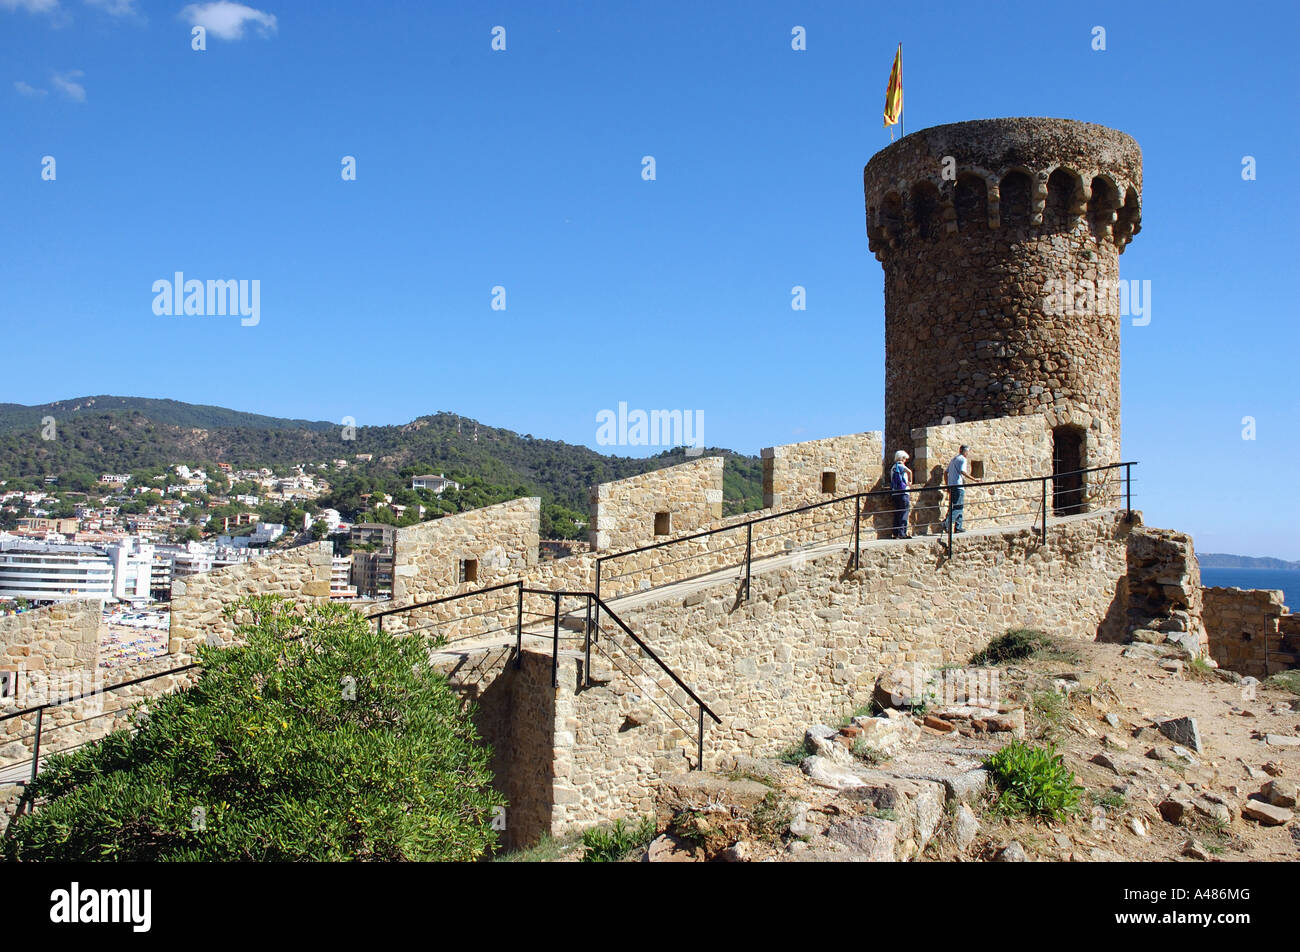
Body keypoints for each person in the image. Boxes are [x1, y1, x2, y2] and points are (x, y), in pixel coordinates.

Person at [941, 445, 980, 533]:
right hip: (958, 486)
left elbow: (945, 473)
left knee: (957, 506)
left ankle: (958, 527)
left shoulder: (954, 459)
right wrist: (974, 479)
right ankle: (947, 523)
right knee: (958, 507)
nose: (968, 453)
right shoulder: (963, 459)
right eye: (968, 452)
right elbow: (963, 471)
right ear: (965, 452)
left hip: (952, 486)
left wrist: (947, 485)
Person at [889, 450, 913, 539]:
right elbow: (909, 472)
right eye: (905, 458)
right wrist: (910, 482)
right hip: (903, 492)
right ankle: (902, 533)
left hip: (895, 493)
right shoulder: (901, 466)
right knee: (904, 512)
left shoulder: (893, 468)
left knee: (897, 512)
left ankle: (895, 533)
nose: (905, 460)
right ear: (902, 458)